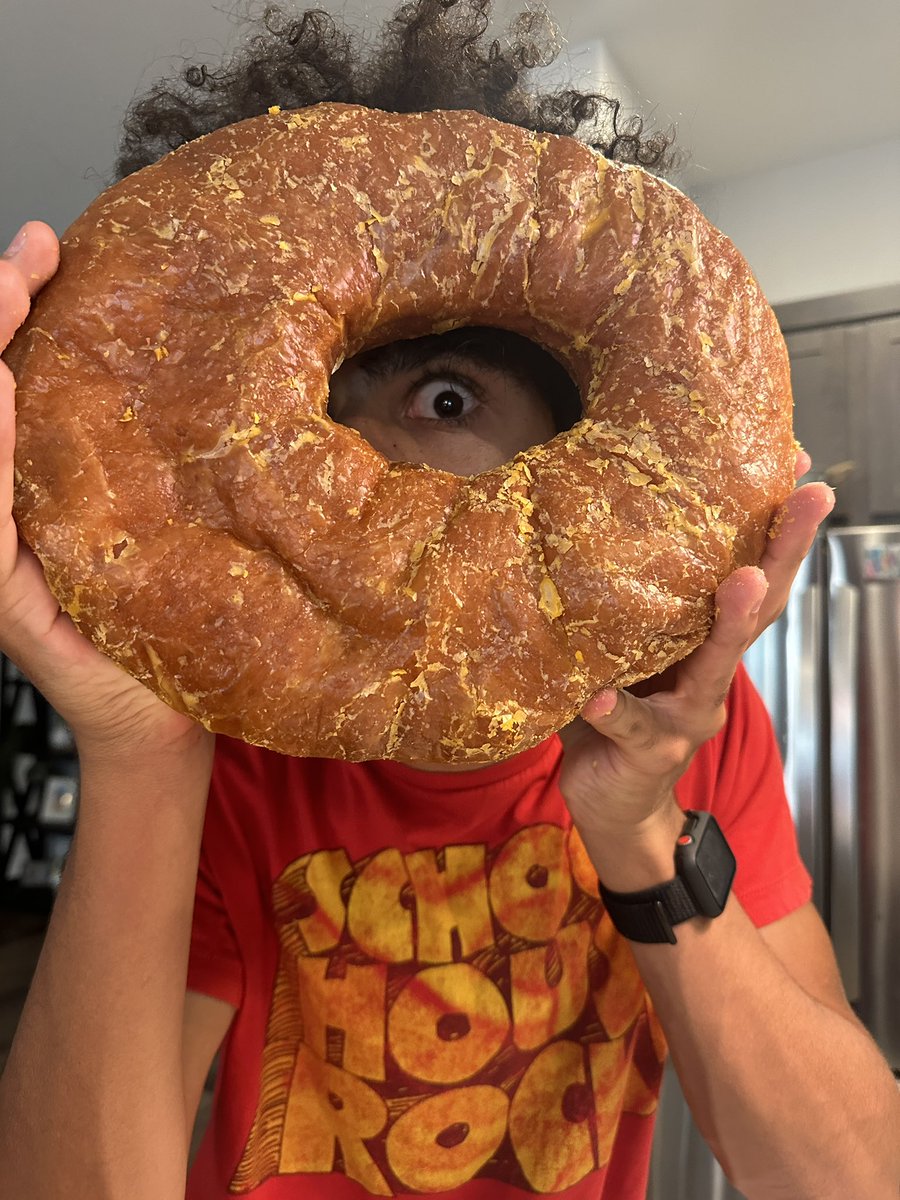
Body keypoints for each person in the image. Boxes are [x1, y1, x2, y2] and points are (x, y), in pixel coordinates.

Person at [0, 2, 898, 1198]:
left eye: (444, 400)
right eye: (317, 410)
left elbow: (850, 1179)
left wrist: (638, 830)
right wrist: (137, 757)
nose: (349, 457)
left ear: (579, 433)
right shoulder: (227, 754)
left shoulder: (690, 733)